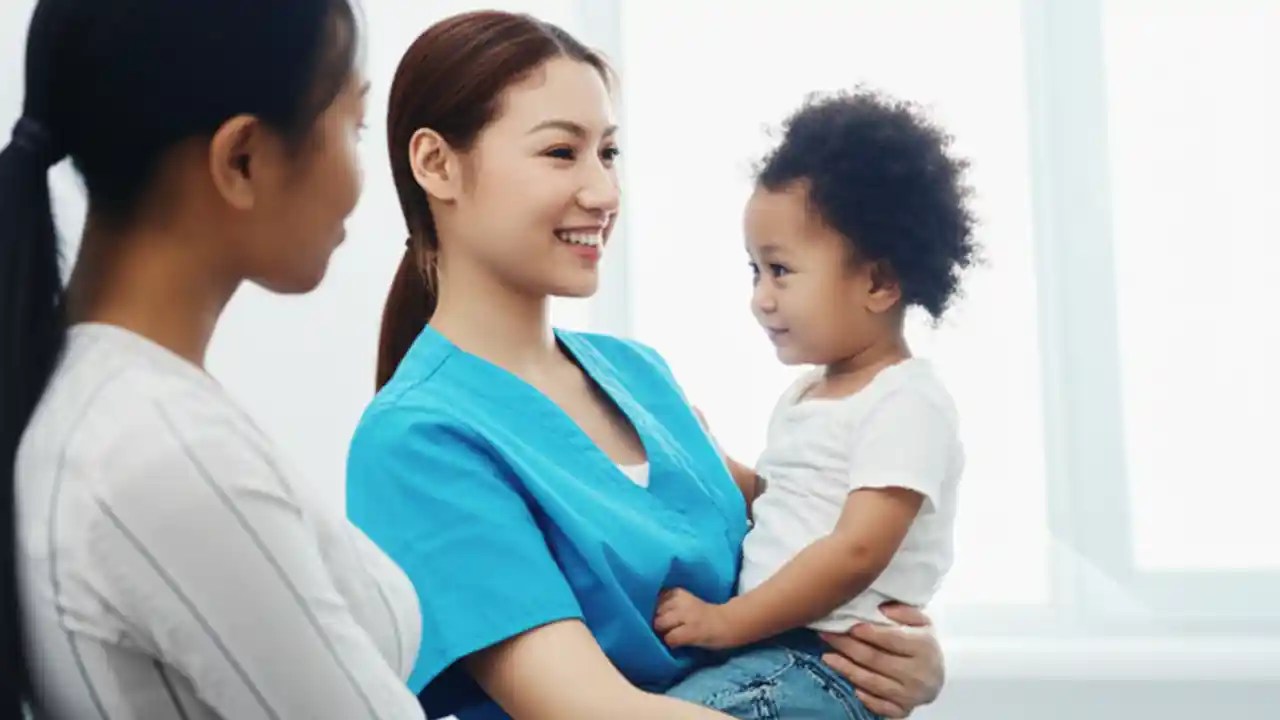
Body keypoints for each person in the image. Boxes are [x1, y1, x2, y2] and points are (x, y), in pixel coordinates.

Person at [347, 12, 946, 720]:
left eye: (609, 152)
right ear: (436, 165)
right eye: (561, 153)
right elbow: (590, 709)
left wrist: (898, 658)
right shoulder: (417, 441)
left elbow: (809, 542)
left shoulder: (641, 377)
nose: (602, 193)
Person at [3, 1, 424, 717]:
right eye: (353, 126)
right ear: (243, 159)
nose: (363, 174)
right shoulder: (157, 447)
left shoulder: (107, 402)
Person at [657, 89, 975, 719]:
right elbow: (784, 507)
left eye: (781, 271)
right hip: (776, 655)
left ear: (879, 282)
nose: (760, 298)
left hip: (822, 667)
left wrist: (727, 623)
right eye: (754, 271)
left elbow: (855, 551)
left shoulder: (907, 404)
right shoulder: (809, 395)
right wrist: (708, 457)